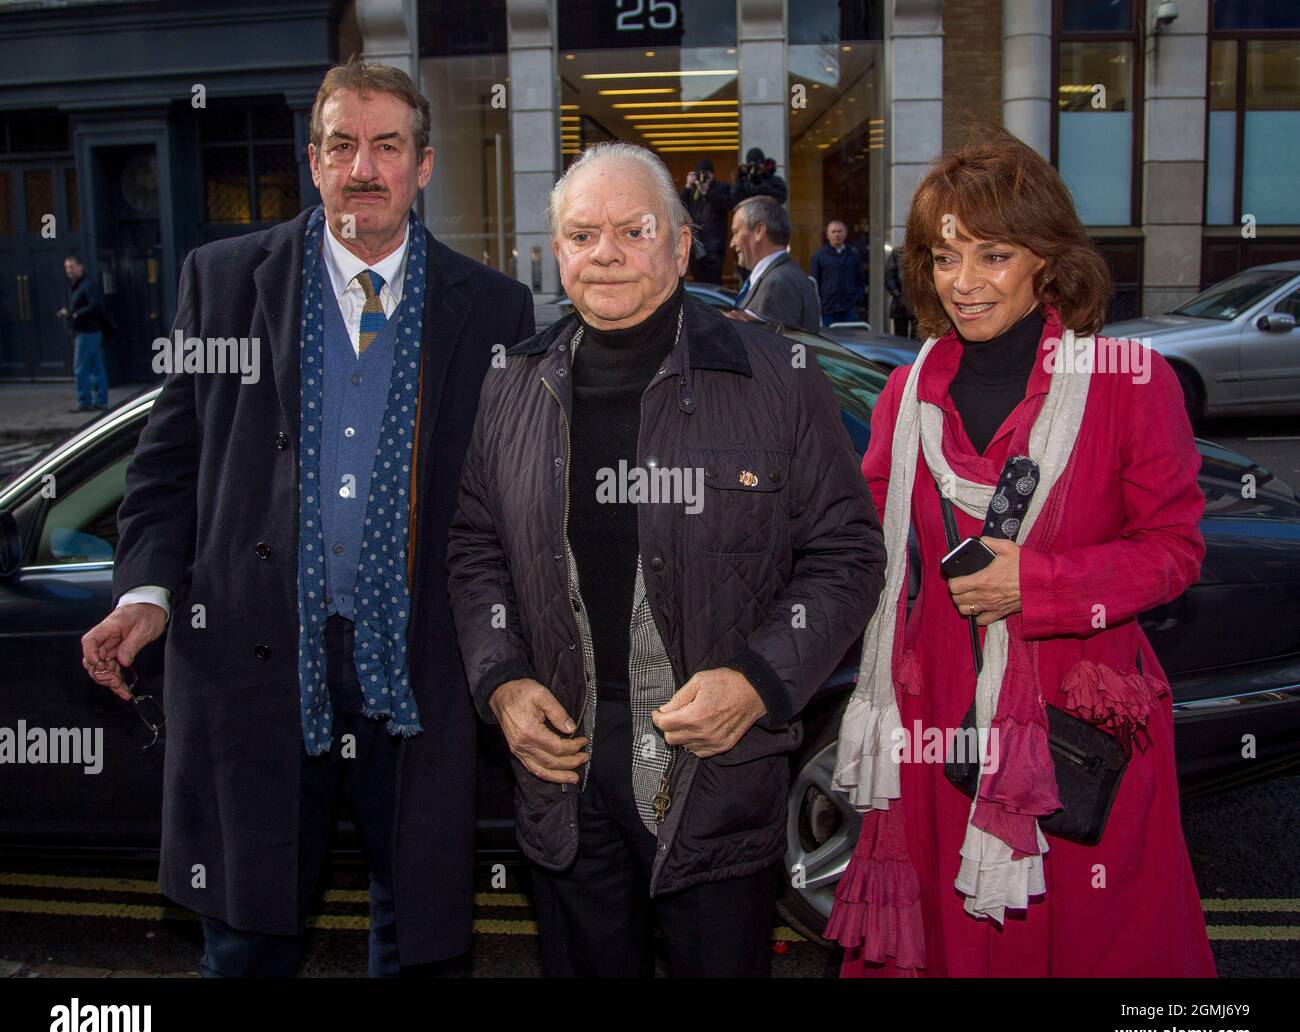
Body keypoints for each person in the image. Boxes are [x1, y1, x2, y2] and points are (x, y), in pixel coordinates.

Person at [79, 58, 535, 977]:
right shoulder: (222, 280)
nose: (364, 167)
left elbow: (506, 497)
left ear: (424, 164)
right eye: (342, 144)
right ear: (313, 160)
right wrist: (148, 593)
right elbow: (164, 469)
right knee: (247, 937)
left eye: (387, 146)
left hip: (418, 669)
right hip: (252, 662)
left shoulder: (493, 307)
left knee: (420, 938)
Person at [446, 141, 885, 978]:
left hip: (716, 768)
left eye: (633, 230)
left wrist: (757, 682)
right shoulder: (514, 383)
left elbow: (848, 553)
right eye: (581, 235)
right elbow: (474, 548)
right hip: (562, 768)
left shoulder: (773, 377)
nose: (604, 253)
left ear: (682, 246)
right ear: (557, 254)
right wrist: (500, 679)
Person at [828, 129, 1215, 978]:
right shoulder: (906, 390)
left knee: (1090, 941)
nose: (962, 283)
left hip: (1076, 726)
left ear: (1047, 258)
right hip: (935, 722)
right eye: (942, 257)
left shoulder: (1128, 380)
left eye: (992, 255)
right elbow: (863, 540)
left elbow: (1175, 552)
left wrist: (1035, 585)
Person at [729, 195, 820, 333]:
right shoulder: (784, 274)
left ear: (759, 231)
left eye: (736, 232)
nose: (732, 243)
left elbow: (772, 350)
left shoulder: (777, 283)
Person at [57, 254, 110, 412]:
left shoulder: (86, 286)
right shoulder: (79, 286)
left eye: (72, 267)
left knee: (81, 368)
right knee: (96, 367)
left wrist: (75, 314)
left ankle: (84, 401)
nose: (69, 270)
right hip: (90, 332)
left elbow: (94, 305)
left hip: (87, 332)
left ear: (81, 267)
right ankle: (100, 401)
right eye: (67, 267)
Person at [680, 157, 731, 284]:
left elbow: (725, 205)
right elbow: (680, 208)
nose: (702, 177)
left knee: (713, 280)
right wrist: (687, 187)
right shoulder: (692, 191)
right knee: (699, 281)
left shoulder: (720, 188)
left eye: (705, 174)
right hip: (696, 245)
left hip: (714, 247)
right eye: (699, 174)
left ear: (712, 175)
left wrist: (706, 191)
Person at [810, 220, 866, 328]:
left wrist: (856, 298)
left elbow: (861, 281)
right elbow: (814, 284)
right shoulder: (819, 256)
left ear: (845, 233)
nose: (837, 235)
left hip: (849, 308)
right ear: (827, 235)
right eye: (833, 232)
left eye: (840, 231)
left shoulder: (853, 255)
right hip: (827, 309)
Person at [884, 246, 912, 338]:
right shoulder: (898, 252)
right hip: (900, 303)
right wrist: (898, 295)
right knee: (900, 339)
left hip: (918, 304)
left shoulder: (922, 252)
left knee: (918, 341)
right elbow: (889, 277)